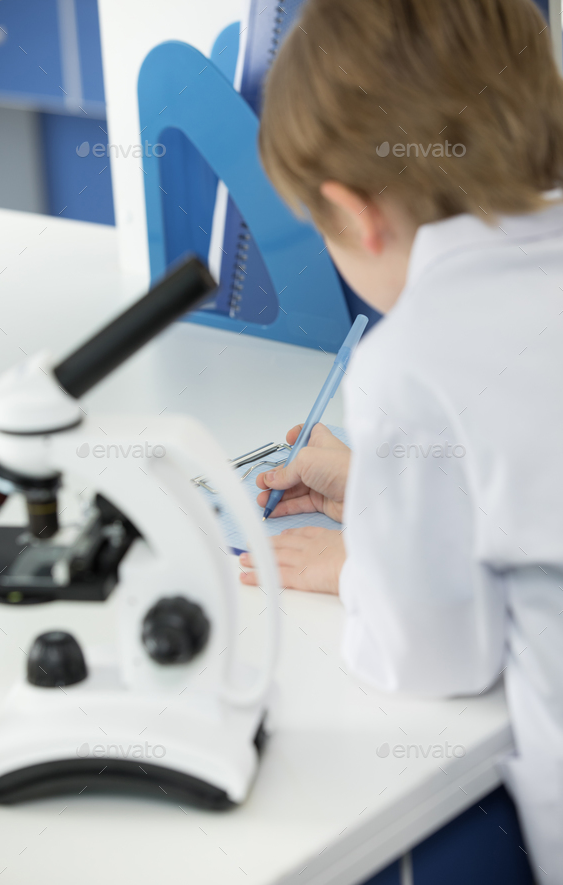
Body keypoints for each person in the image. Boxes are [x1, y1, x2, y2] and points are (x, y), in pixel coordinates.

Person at [237, 0, 563, 880]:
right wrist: (384, 473)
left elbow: (433, 654)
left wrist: (356, 567)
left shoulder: (411, 358)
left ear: (355, 212)